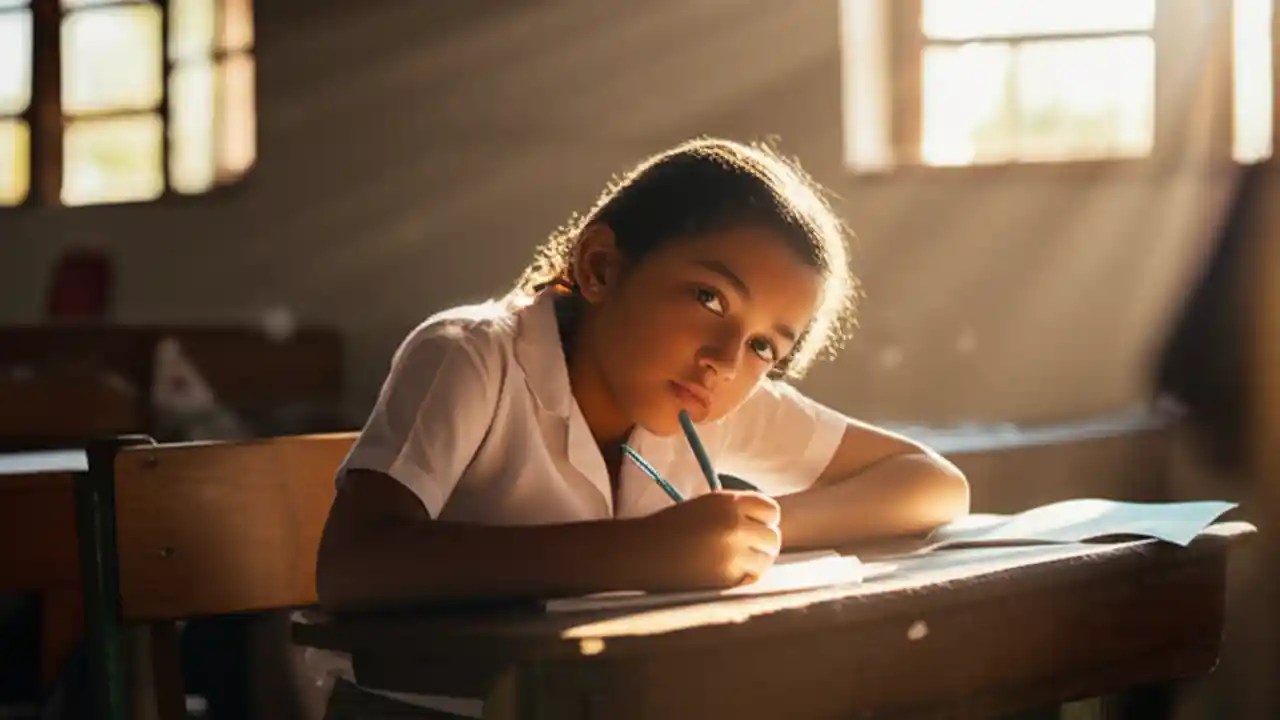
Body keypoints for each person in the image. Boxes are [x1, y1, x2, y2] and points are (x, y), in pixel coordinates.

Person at [315, 137, 969, 718]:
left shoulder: (717, 394)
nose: (726, 359)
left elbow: (932, 486)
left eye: (767, 346)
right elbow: (353, 566)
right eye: (709, 298)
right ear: (601, 266)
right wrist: (644, 550)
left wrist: (743, 532)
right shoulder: (471, 356)